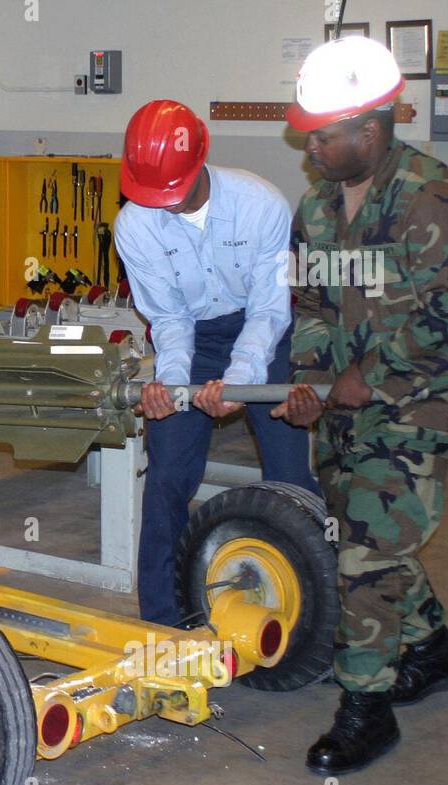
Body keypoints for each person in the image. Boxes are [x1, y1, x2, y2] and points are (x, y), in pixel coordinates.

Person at [274, 36, 448, 775]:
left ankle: (364, 709)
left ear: (369, 131)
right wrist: (310, 379)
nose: (312, 151)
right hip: (342, 405)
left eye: (323, 137)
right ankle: (432, 650)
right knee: (368, 533)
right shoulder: (318, 205)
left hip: (418, 400)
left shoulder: (429, 194)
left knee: (368, 547)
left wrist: (367, 377)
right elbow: (307, 299)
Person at [114, 99, 320, 627]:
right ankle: (163, 622)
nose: (164, 207)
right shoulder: (135, 225)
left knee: (290, 477)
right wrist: (171, 383)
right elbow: (170, 318)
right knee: (167, 478)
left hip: (263, 332)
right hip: (192, 336)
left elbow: (270, 308)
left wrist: (241, 379)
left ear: (199, 163)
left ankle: (313, 612)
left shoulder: (260, 204)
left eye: (173, 195)